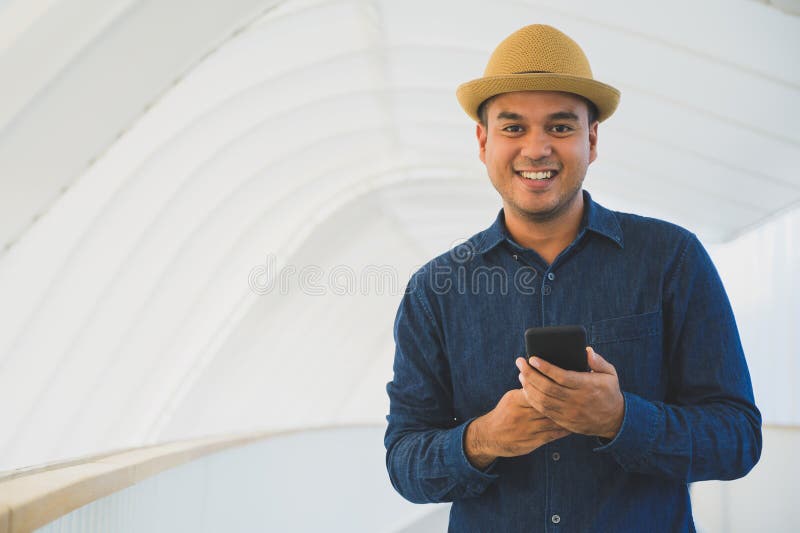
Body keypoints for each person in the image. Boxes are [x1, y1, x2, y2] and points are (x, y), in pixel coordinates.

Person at [383, 24, 762, 532]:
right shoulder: (435, 290)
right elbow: (404, 462)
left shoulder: (671, 259)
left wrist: (622, 419)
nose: (536, 149)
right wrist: (484, 440)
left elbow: (738, 439)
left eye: (560, 127)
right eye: (513, 127)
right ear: (483, 140)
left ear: (592, 138)